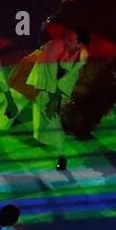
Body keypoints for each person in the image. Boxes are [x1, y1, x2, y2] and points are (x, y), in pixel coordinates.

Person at [26, 22, 89, 172]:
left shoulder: (81, 57)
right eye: (66, 38)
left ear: (80, 44)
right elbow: (49, 73)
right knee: (42, 113)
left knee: (53, 119)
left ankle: (62, 155)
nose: (66, 42)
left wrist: (54, 100)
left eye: (71, 41)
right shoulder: (55, 47)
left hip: (53, 87)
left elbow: (67, 79)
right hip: (44, 80)